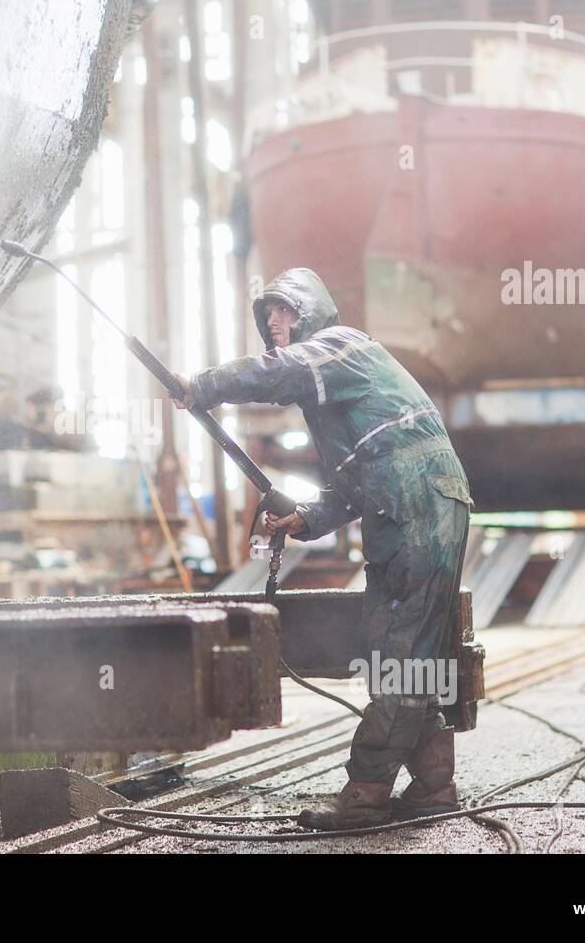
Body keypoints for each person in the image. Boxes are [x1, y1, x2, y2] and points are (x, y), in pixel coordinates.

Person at [171, 267, 473, 830]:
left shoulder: (341, 346)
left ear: (312, 311)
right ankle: (433, 785)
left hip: (418, 505)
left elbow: (279, 373)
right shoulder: (332, 399)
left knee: (402, 655)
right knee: (398, 651)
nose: (275, 322)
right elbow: (353, 485)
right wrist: (308, 516)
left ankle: (365, 794)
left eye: (285, 309)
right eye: (267, 315)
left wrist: (202, 386)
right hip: (400, 510)